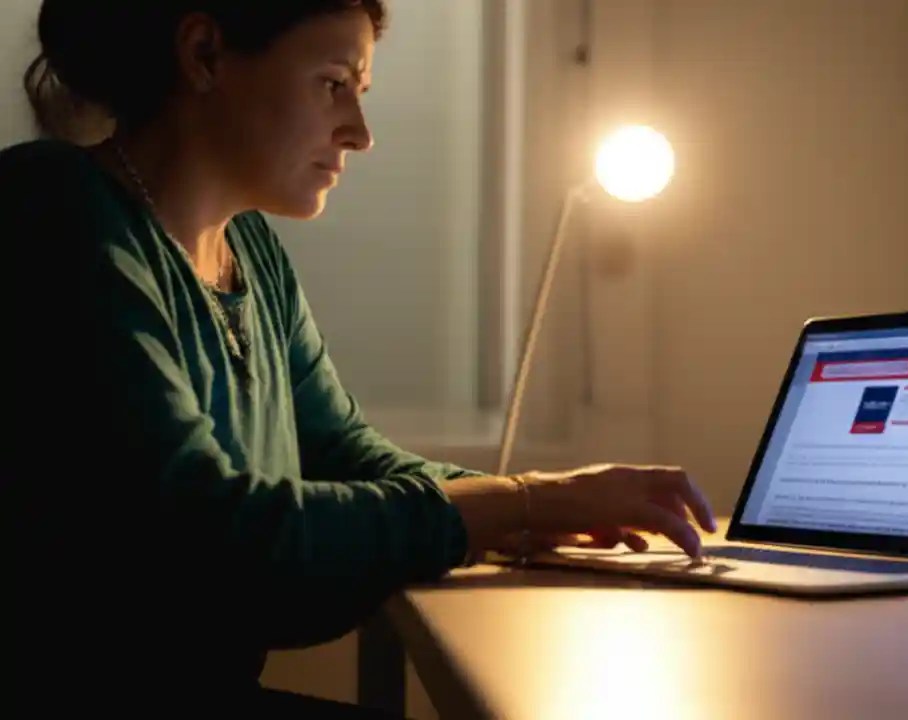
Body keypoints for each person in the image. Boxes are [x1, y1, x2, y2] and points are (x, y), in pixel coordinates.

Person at [2, 1, 715, 715]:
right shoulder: (52, 209)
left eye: (360, 93)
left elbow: (342, 452)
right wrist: (517, 503)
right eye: (332, 84)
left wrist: (545, 509)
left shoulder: (251, 252)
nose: (361, 133)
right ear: (206, 55)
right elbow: (219, 544)